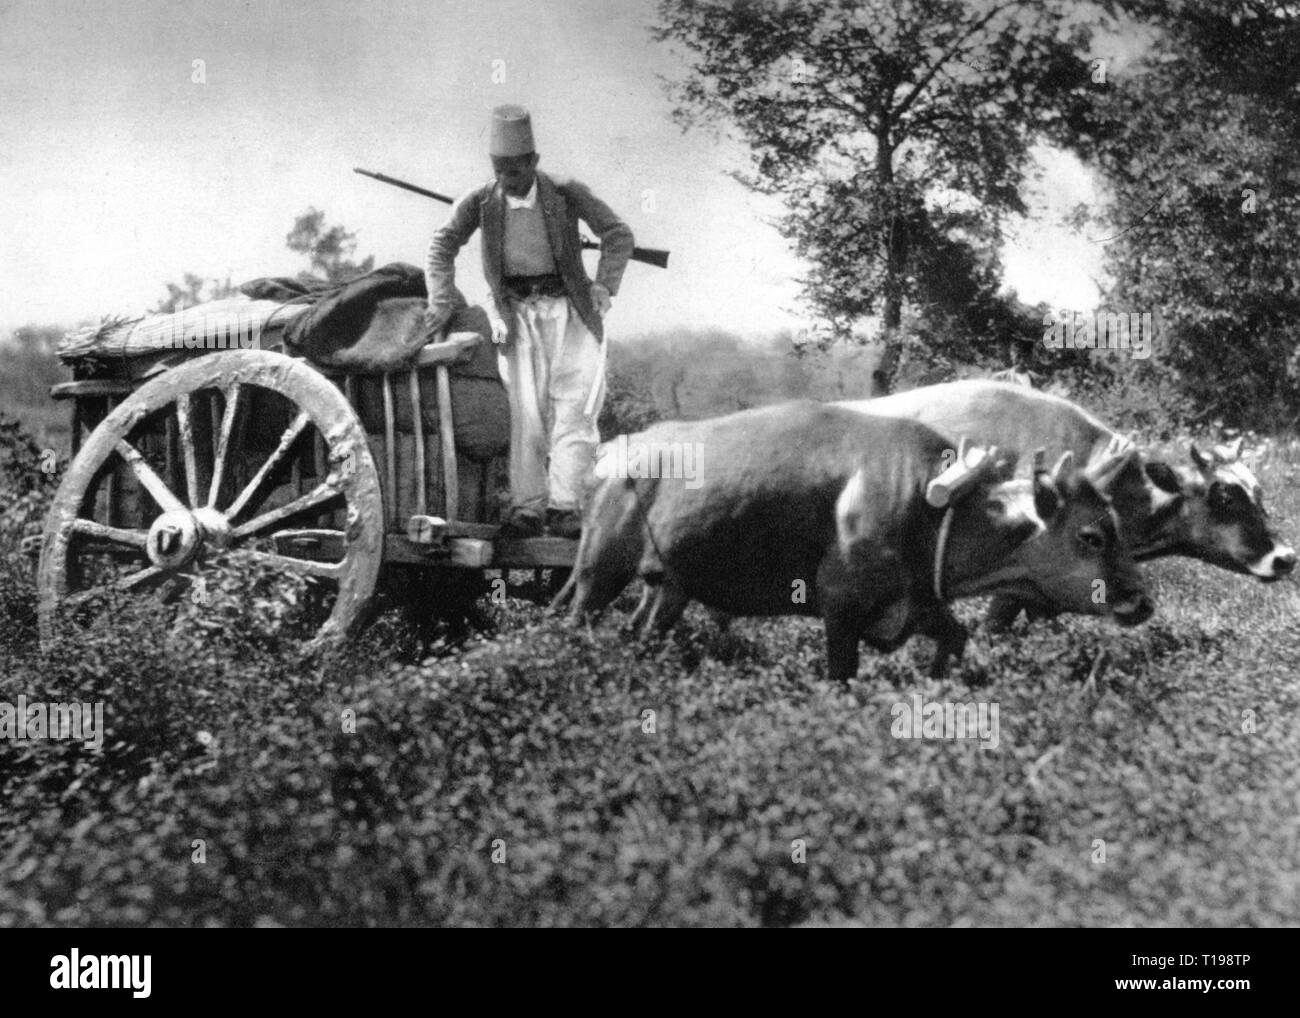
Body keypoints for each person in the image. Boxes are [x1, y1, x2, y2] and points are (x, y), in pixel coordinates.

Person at [424, 104, 634, 539]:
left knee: (575, 410)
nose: (508, 180)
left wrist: (604, 287)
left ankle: (566, 507)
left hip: (570, 312)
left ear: (533, 162)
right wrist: (441, 299)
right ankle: (527, 509)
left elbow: (618, 234)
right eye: (499, 170)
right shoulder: (480, 201)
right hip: (516, 316)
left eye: (515, 171)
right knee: (525, 415)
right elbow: (441, 245)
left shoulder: (565, 193)